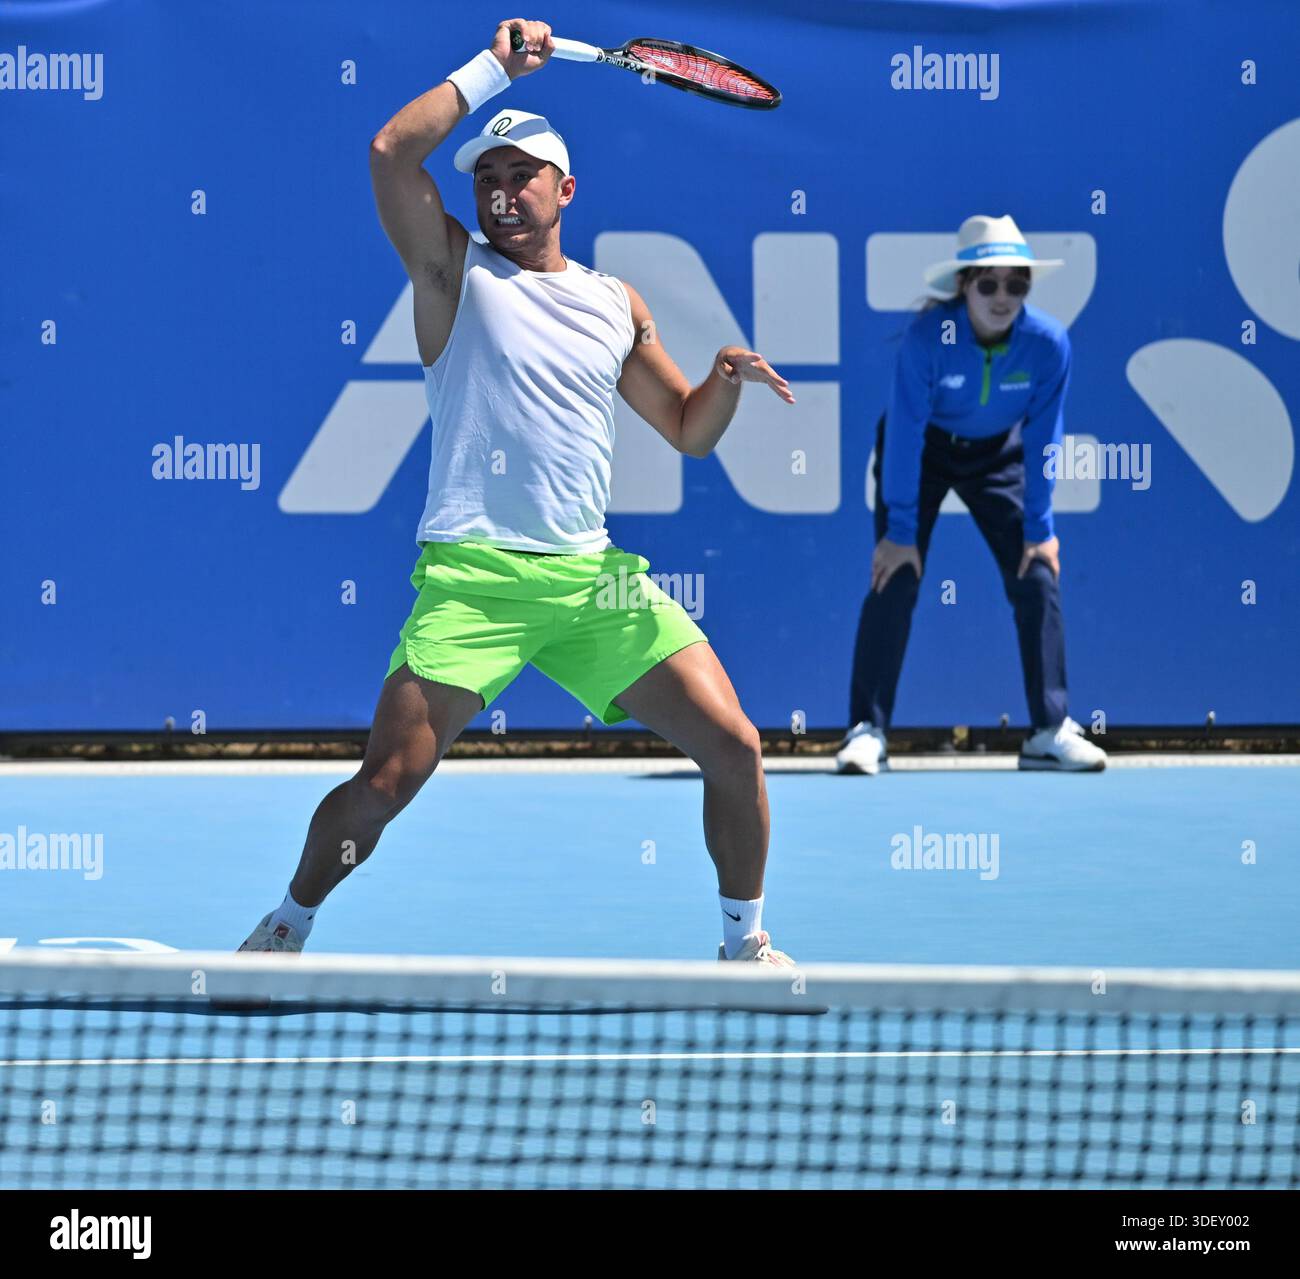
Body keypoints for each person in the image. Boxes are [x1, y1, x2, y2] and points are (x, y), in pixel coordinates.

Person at [238, 19, 797, 963]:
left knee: (737, 747)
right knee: (382, 785)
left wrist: (726, 381)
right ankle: (288, 920)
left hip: (593, 583)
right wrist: (494, 68)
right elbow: (388, 150)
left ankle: (745, 944)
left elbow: (688, 431)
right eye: (485, 179)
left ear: (564, 188)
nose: (499, 192)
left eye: (519, 175)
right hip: (475, 580)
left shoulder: (616, 302)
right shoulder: (453, 272)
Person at [838, 214, 1106, 775]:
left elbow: (1043, 437)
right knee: (897, 572)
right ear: (964, 287)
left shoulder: (1048, 344)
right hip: (924, 450)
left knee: (1037, 573)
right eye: (989, 283)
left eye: (1017, 283)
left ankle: (1048, 730)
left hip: (998, 456)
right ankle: (867, 730)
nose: (1003, 296)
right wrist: (901, 533)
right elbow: (906, 432)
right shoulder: (926, 340)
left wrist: (1040, 528)